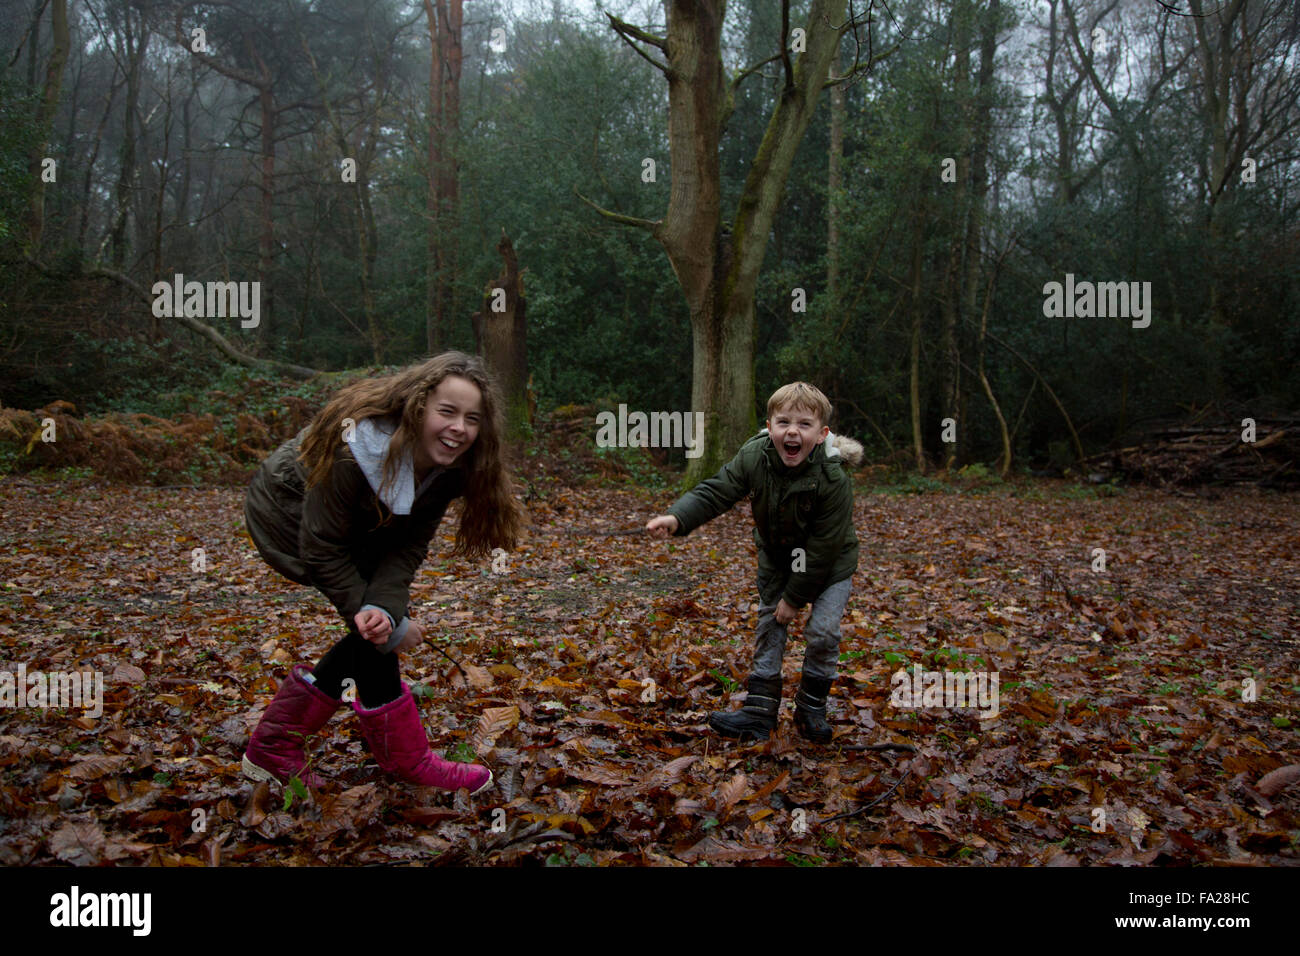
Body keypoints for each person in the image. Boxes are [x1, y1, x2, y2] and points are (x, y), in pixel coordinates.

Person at [241, 352, 523, 794]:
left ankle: (275, 746)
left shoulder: (451, 468)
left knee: (376, 618)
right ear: (416, 408)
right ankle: (409, 762)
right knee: (374, 627)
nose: (460, 429)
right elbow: (323, 548)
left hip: (361, 525)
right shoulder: (353, 452)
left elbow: (407, 543)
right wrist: (390, 625)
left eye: (472, 419)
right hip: (288, 511)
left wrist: (385, 610)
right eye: (447, 412)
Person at [646, 382, 861, 743]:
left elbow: (824, 546)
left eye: (804, 424)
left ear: (822, 434)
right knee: (769, 625)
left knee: (823, 631)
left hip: (830, 565)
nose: (792, 431)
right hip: (777, 559)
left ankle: (811, 710)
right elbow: (717, 489)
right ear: (769, 426)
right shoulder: (755, 456)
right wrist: (678, 518)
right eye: (784, 422)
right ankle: (759, 711)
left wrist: (794, 599)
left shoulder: (832, 477)